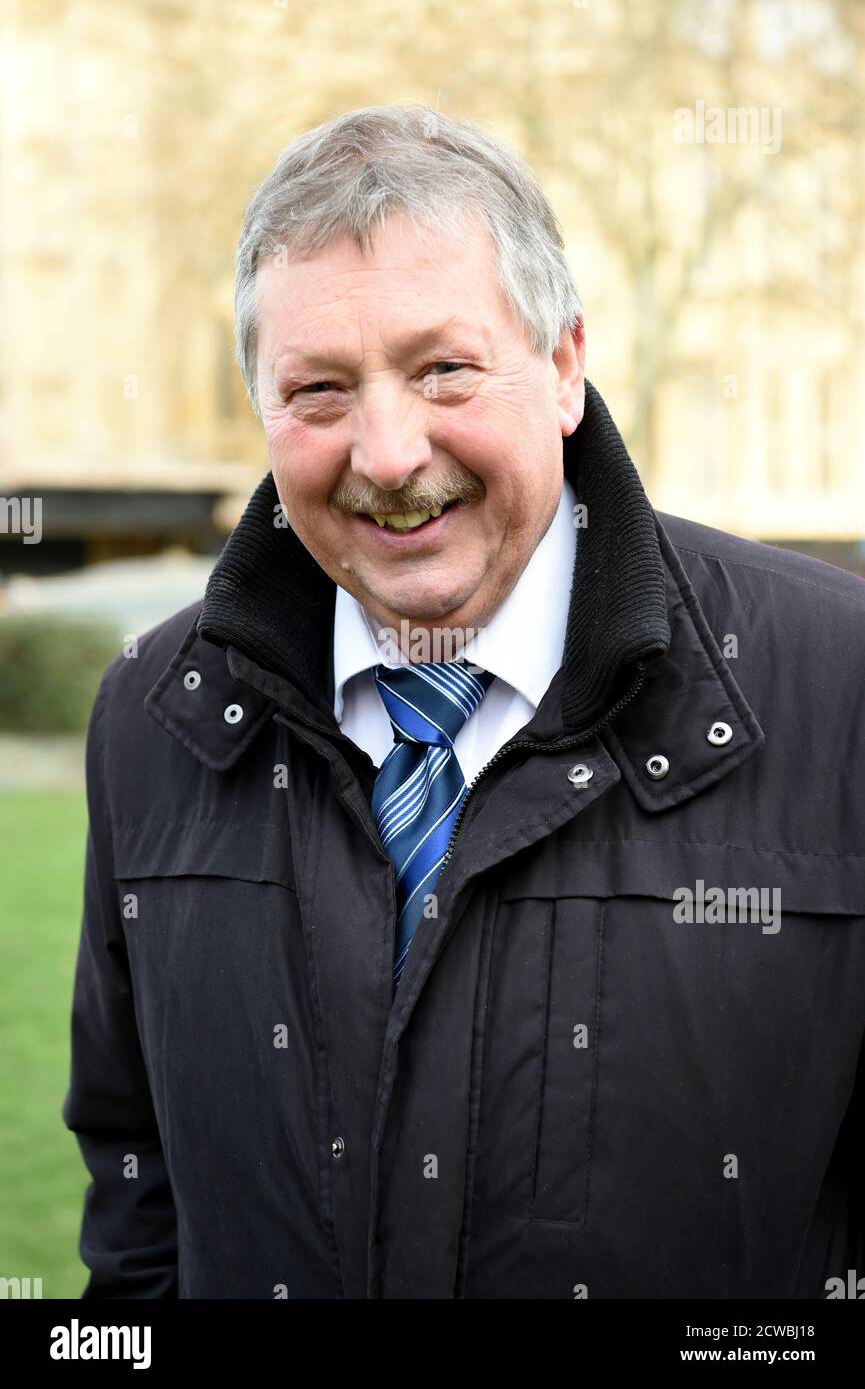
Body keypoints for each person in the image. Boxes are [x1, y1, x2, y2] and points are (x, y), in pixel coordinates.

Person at [63, 103, 865, 1299]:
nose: (386, 453)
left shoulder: (838, 684)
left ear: (562, 365)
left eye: (442, 368)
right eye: (320, 390)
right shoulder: (153, 713)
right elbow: (136, 1197)